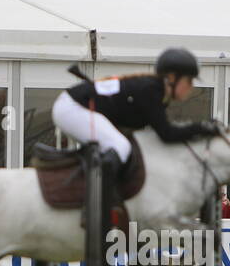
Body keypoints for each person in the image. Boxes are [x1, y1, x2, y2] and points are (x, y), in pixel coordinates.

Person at [52, 47, 219, 183]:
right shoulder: (151, 90)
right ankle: (99, 209)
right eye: (189, 81)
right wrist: (202, 128)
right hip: (72, 107)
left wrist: (199, 128)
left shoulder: (155, 90)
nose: (191, 87)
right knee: (120, 146)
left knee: (123, 146)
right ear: (172, 77)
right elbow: (166, 134)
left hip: (74, 105)